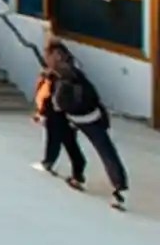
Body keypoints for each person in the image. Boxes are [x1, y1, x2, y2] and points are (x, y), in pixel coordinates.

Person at [47, 41, 128, 210]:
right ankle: (118, 187)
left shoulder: (60, 77)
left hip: (78, 118)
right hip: (90, 116)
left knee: (74, 143)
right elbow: (93, 96)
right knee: (105, 150)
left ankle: (80, 175)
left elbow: (57, 104)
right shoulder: (76, 72)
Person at [32, 45, 85, 187]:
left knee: (64, 139)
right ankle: (70, 168)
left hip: (60, 110)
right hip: (55, 110)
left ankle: (55, 164)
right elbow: (43, 94)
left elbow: (49, 93)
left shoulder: (62, 72)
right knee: (64, 139)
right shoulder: (56, 71)